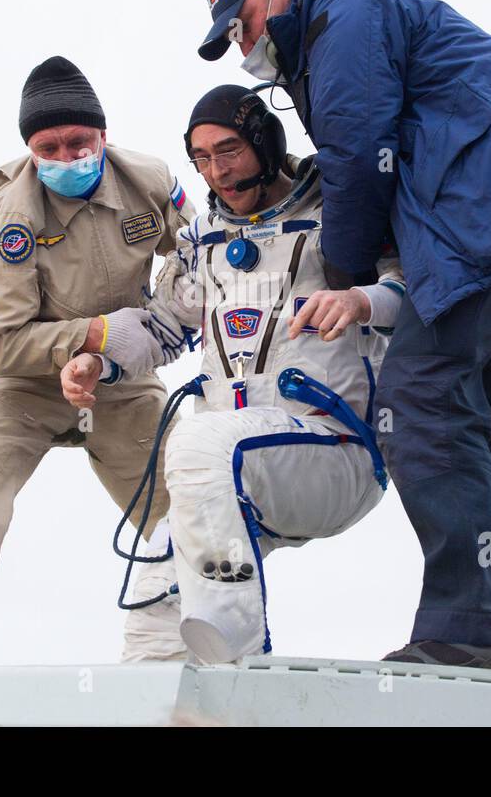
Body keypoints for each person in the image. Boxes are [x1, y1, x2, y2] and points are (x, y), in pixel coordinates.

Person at [195, 0, 491, 677]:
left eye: (242, 24)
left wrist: (346, 274)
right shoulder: (345, 20)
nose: (245, 46)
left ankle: (467, 627)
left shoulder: (344, 12)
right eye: (231, 41)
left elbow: (359, 150)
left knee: (420, 397)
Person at [60, 85, 404, 663]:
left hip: (332, 448)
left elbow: (411, 288)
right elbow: (165, 323)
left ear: (265, 144)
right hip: (233, 475)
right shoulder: (201, 241)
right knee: (153, 596)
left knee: (195, 446)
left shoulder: (336, 214)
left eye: (229, 152)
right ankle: (177, 709)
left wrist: (361, 302)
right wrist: (98, 357)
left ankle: (235, 641)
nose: (216, 172)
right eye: (201, 159)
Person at [0, 56, 194, 666]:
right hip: (22, 382)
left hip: (120, 380)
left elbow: (203, 250)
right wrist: (92, 337)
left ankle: (218, 645)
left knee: (192, 492)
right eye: (48, 147)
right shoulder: (10, 214)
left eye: (79, 141)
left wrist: (151, 329)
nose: (66, 156)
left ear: (103, 135)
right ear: (30, 149)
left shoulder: (151, 180)